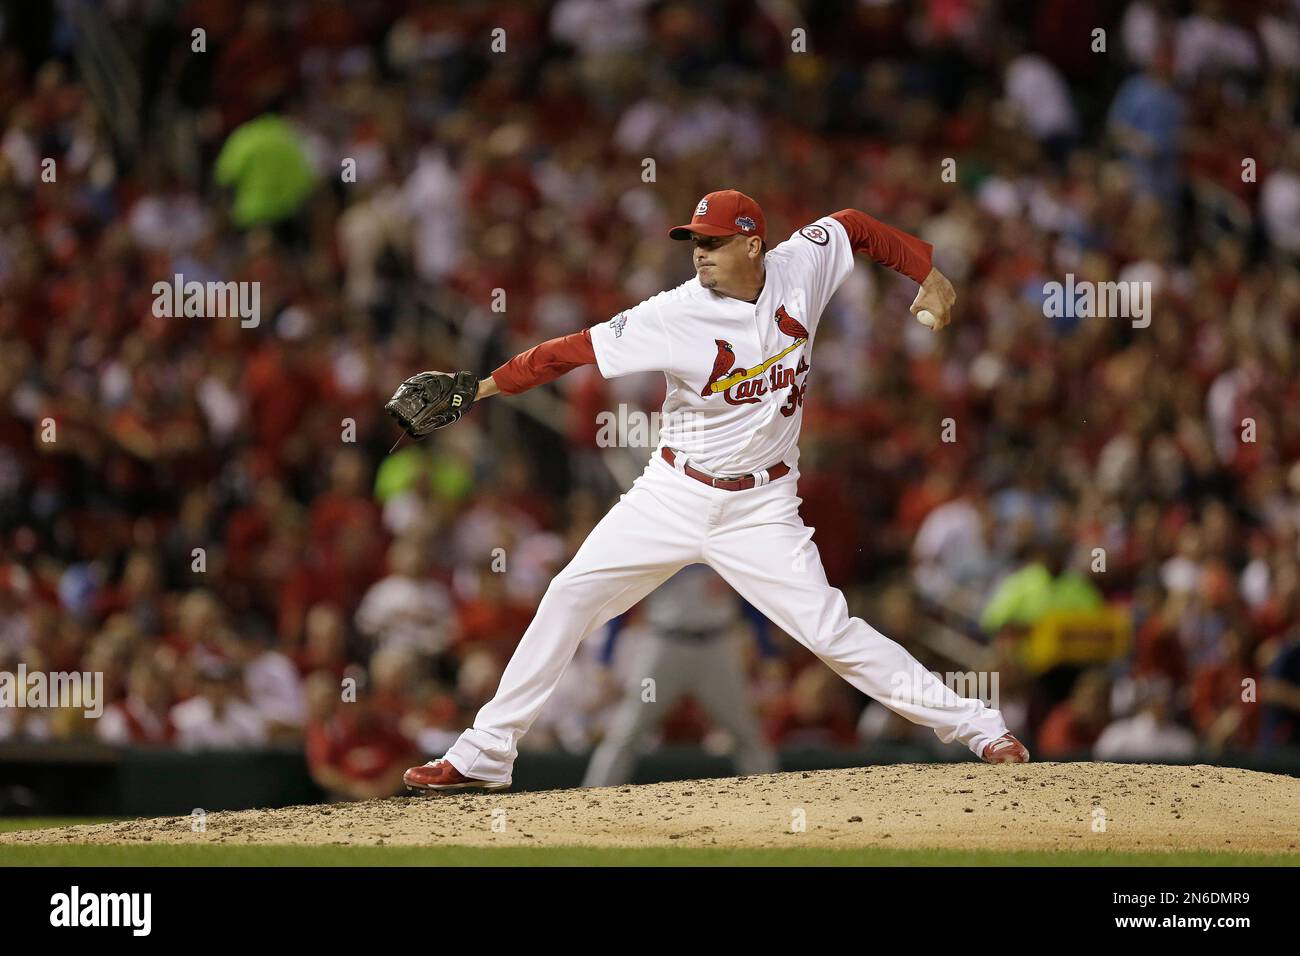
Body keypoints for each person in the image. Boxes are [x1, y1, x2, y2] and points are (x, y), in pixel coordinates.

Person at [403, 189, 1029, 792]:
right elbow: (570, 352)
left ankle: (981, 728)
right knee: (568, 595)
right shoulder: (674, 312)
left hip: (762, 508)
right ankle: (485, 752)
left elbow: (857, 224)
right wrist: (478, 389)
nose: (698, 252)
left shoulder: (800, 264)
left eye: (713, 241)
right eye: (693, 241)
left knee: (830, 632)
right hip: (672, 493)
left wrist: (928, 272)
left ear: (754, 245)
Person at [581, 563, 778, 787]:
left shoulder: (724, 543)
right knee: (627, 730)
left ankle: (772, 803)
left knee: (746, 732)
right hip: (663, 651)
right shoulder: (661, 542)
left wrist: (766, 649)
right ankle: (592, 800)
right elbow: (624, 599)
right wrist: (606, 656)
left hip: (716, 650)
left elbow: (749, 598)